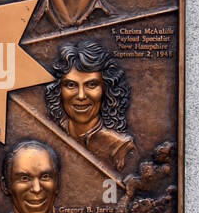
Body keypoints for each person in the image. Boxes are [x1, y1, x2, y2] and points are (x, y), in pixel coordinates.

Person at [44, 40, 134, 172]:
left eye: (91, 85)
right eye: (71, 85)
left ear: (106, 89)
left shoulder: (120, 148)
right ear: (58, 90)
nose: (81, 96)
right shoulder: (48, 134)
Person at [1, 139, 61, 213]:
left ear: (57, 183)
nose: (36, 189)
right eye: (24, 178)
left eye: (45, 177)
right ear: (6, 185)